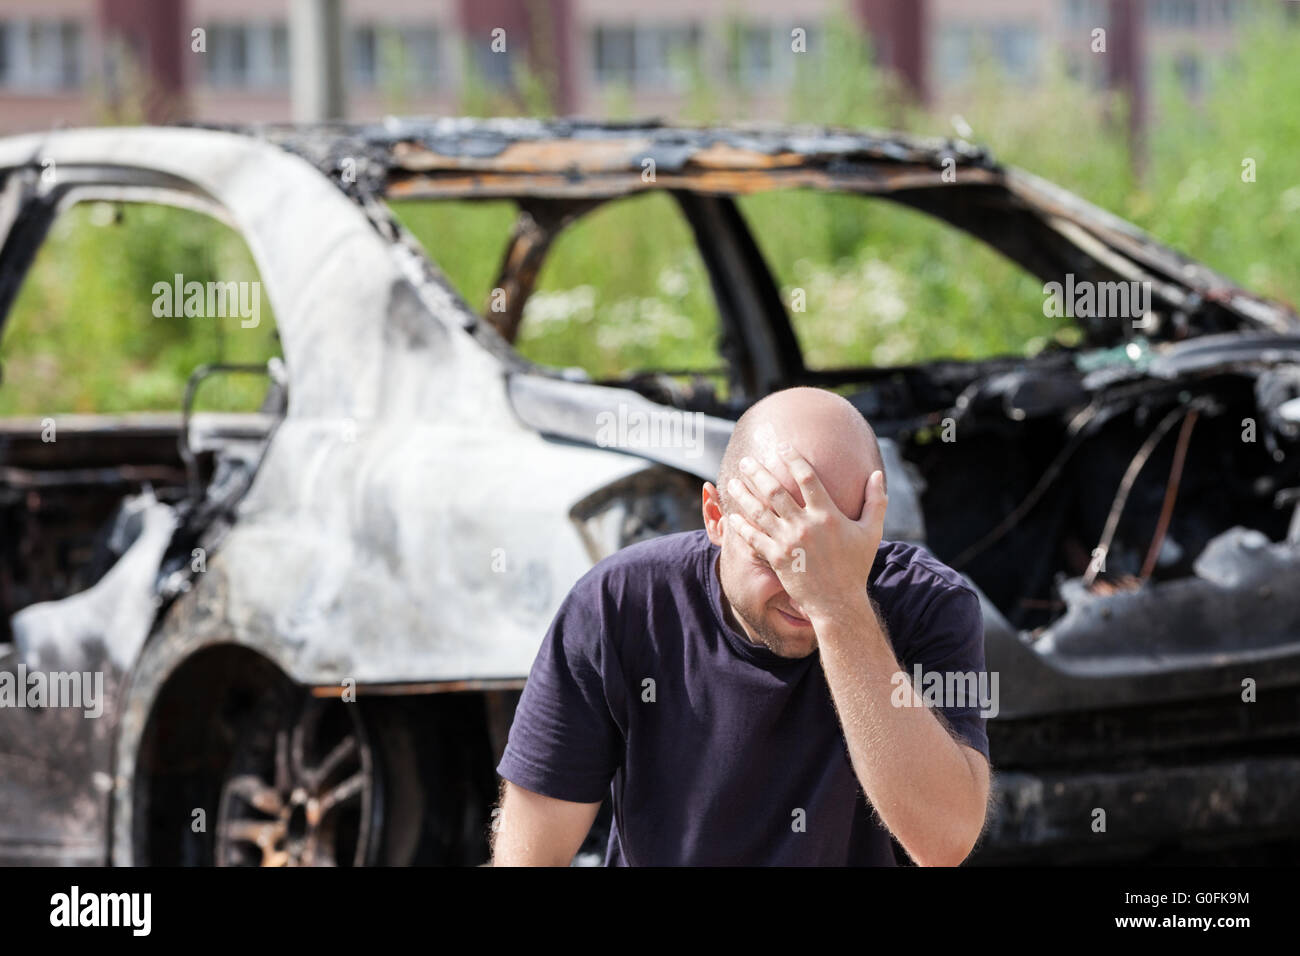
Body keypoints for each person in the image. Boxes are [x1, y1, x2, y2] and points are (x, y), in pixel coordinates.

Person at [491, 386, 992, 865]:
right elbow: (533, 851)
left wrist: (840, 607)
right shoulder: (621, 603)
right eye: (776, 554)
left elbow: (944, 841)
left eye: (835, 550)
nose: (804, 585)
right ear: (715, 516)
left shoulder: (928, 604)